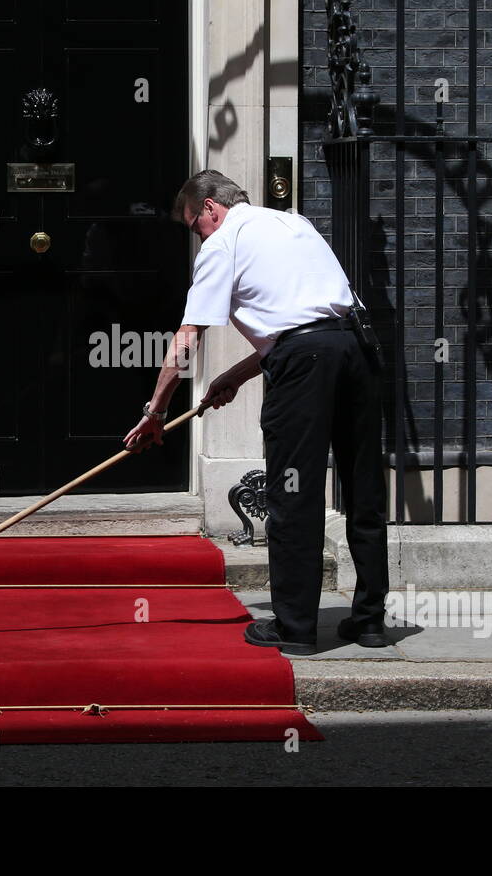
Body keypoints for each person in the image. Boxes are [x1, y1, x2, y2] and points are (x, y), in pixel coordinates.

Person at [123, 170, 389, 654]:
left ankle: (295, 628)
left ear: (209, 208)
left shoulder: (222, 242)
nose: (197, 236)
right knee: (364, 487)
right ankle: (370, 620)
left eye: (193, 226)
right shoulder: (294, 224)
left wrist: (156, 410)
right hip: (357, 351)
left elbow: (189, 336)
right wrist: (236, 376)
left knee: (293, 495)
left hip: (305, 366)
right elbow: (305, 320)